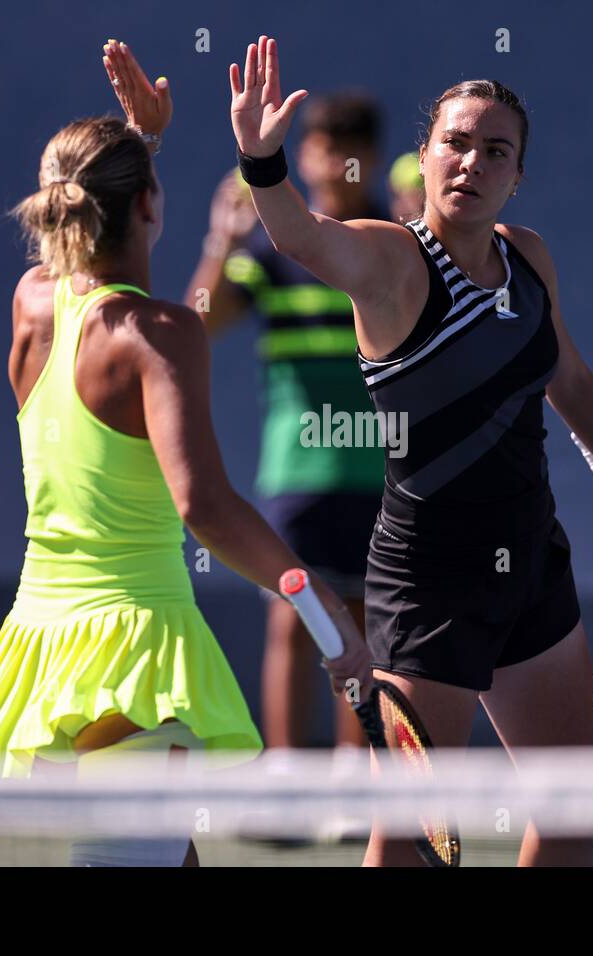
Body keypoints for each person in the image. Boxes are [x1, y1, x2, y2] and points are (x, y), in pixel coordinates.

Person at [227, 36, 593, 866]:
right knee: (407, 845)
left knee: (571, 816)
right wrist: (262, 161)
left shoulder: (528, 258)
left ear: (517, 175)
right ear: (425, 156)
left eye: (495, 150)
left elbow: (572, 383)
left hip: (533, 567)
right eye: (455, 143)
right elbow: (301, 237)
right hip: (429, 578)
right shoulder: (391, 260)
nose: (472, 162)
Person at [0, 40, 370, 867]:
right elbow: (204, 506)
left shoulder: (31, 303)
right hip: (129, 654)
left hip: (39, 645)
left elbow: (81, 244)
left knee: (164, 858)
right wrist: (324, 613)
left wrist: (142, 146)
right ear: (149, 204)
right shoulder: (162, 335)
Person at [179, 92, 389, 755]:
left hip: (381, 470)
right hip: (298, 469)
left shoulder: (392, 242)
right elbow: (198, 324)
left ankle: (357, 777)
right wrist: (222, 239)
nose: (336, 162)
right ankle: (286, 771)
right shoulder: (269, 250)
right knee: (292, 618)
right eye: (324, 148)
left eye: (349, 149)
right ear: (303, 156)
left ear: (371, 159)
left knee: (362, 622)